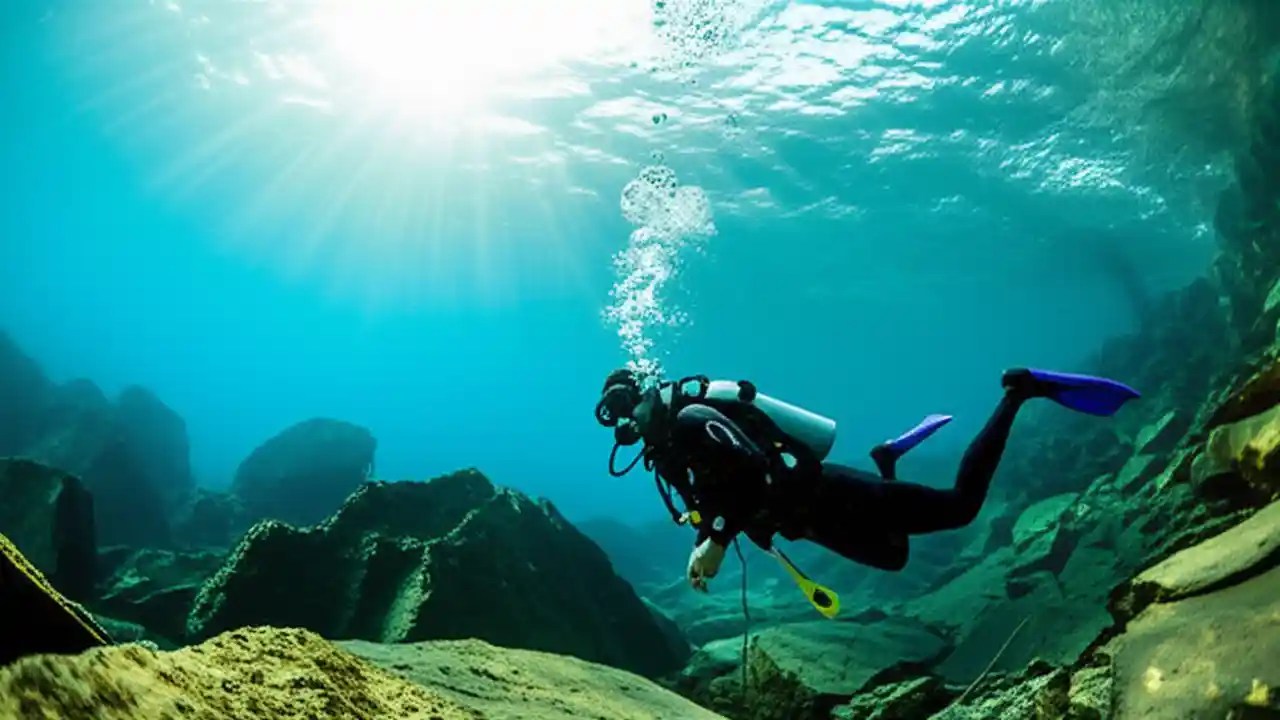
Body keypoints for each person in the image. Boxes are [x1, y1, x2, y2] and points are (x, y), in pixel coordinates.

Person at [593, 367, 1138, 593]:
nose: (625, 422)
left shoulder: (692, 419)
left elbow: (754, 472)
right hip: (808, 525)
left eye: (626, 406)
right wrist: (703, 538)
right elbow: (710, 499)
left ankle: (1020, 390)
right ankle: (888, 458)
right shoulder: (665, 456)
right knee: (894, 558)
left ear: (646, 394)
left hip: (829, 493)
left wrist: (715, 537)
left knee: (960, 507)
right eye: (615, 414)